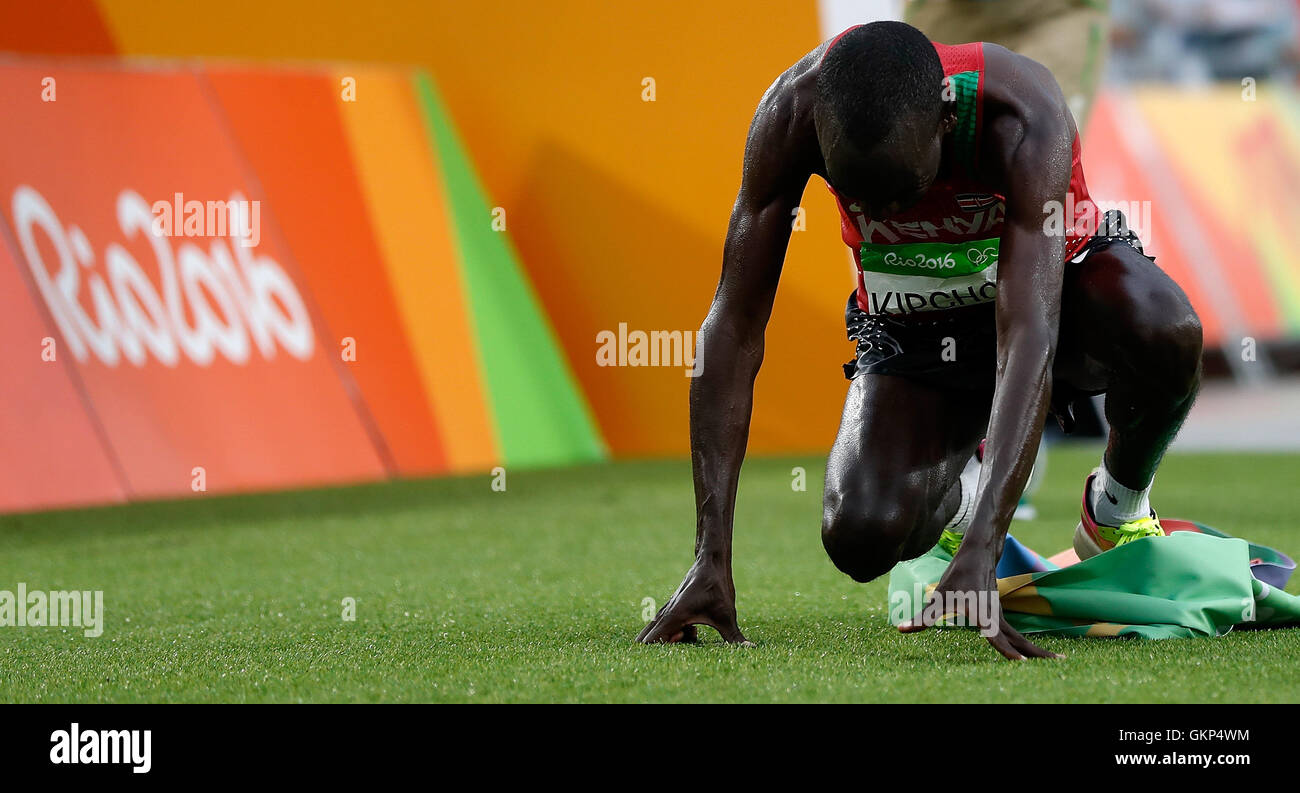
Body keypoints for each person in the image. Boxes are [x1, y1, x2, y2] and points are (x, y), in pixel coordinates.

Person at [636, 21, 1202, 659]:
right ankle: (956, 504)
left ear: (945, 116)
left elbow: (1028, 331)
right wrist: (710, 555)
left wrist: (996, 536)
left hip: (1053, 304)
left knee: (1166, 331)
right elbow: (733, 328)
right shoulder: (788, 113)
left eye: (903, 189)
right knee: (860, 534)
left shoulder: (1022, 111)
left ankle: (1117, 508)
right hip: (916, 326)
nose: (892, 214)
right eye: (861, 197)